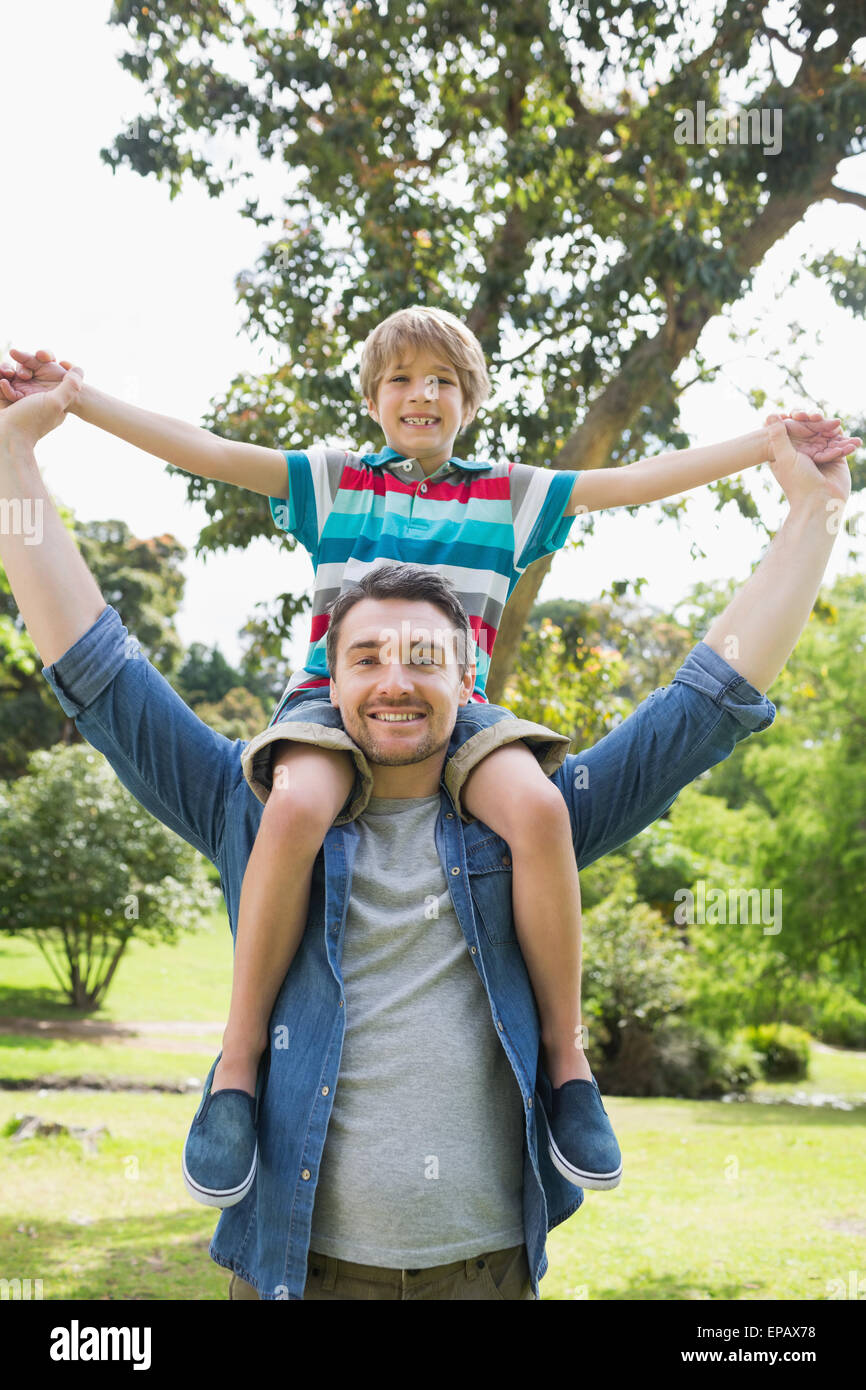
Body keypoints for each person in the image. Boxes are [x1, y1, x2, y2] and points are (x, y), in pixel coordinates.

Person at [0, 366, 858, 1299]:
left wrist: (815, 515)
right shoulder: (249, 807)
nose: (395, 680)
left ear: (467, 681)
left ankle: (575, 1073)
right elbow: (91, 659)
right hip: (296, 1272)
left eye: (425, 658)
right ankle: (233, 1078)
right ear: (329, 679)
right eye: (365, 657)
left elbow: (712, 698)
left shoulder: (535, 821)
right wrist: (11, 458)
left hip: (485, 1274)